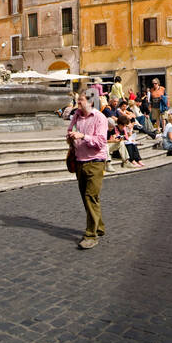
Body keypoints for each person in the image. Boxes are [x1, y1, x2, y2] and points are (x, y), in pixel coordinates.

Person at [67, 93, 109, 249]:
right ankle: (99, 226)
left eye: (81, 100)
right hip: (79, 161)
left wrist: (83, 136)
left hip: (95, 162)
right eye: (78, 99)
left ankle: (91, 235)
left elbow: (101, 142)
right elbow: (69, 131)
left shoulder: (99, 118)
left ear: (90, 102)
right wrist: (70, 137)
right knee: (88, 198)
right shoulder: (76, 116)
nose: (78, 102)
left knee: (90, 196)